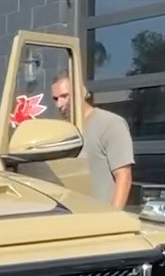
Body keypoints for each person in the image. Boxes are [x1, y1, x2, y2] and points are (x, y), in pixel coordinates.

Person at [50, 74, 133, 209]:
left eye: (65, 96)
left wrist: (113, 219)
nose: (59, 104)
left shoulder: (110, 124)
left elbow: (124, 177)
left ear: (81, 92)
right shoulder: (64, 131)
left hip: (99, 219)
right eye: (55, 99)